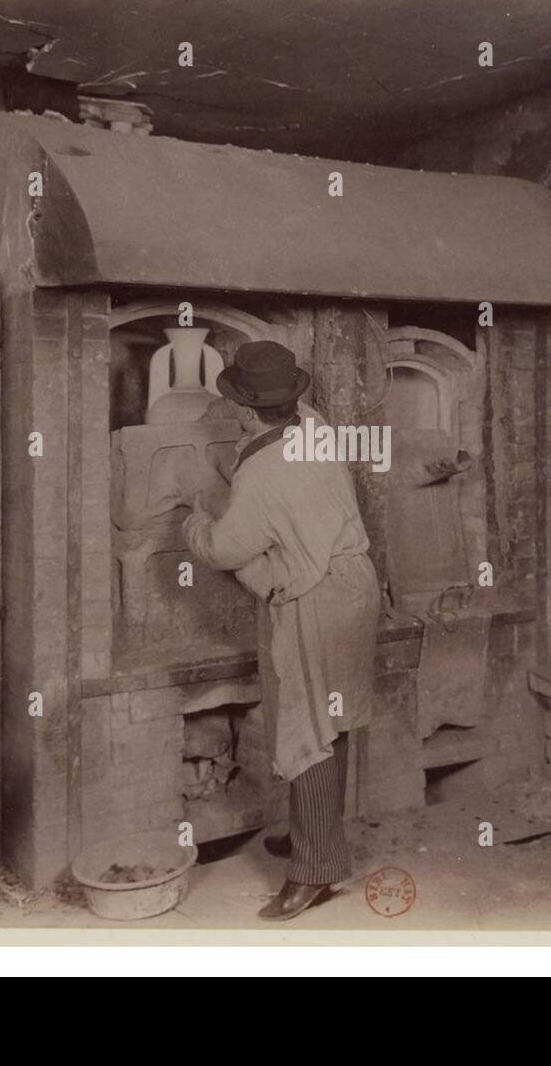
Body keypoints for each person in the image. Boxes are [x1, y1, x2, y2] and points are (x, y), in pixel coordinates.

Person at [182, 340, 379, 921]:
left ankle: (314, 872)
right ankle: (312, 835)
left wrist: (195, 520)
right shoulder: (313, 427)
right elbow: (274, 480)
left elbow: (224, 548)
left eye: (235, 404)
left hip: (314, 601)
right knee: (329, 722)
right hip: (353, 586)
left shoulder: (264, 476)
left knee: (306, 730)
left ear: (247, 410)